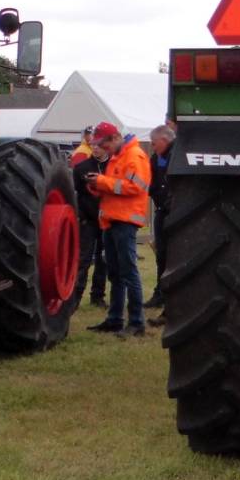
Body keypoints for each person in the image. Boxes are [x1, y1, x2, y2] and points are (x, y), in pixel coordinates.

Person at [84, 121, 151, 337]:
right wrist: (98, 185)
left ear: (114, 138)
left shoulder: (135, 156)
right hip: (112, 220)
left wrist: (102, 181)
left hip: (125, 221)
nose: (101, 150)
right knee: (115, 273)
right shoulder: (118, 156)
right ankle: (115, 319)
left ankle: (136, 322)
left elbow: (136, 187)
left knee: (128, 272)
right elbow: (116, 185)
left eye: (103, 145)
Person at [71, 127, 109, 308]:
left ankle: (98, 295)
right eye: (93, 145)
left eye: (99, 145)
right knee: (83, 259)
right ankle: (75, 295)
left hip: (108, 220)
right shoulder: (81, 168)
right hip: (88, 220)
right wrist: (82, 216)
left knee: (103, 259)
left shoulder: (114, 167)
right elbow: (76, 193)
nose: (95, 148)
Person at [146, 124, 175, 312]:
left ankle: (172, 297)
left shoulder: (179, 156)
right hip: (161, 211)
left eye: (154, 143)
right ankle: (160, 294)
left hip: (176, 212)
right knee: (161, 255)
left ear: (164, 140)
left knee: (173, 255)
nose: (152, 146)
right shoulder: (156, 158)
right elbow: (152, 182)